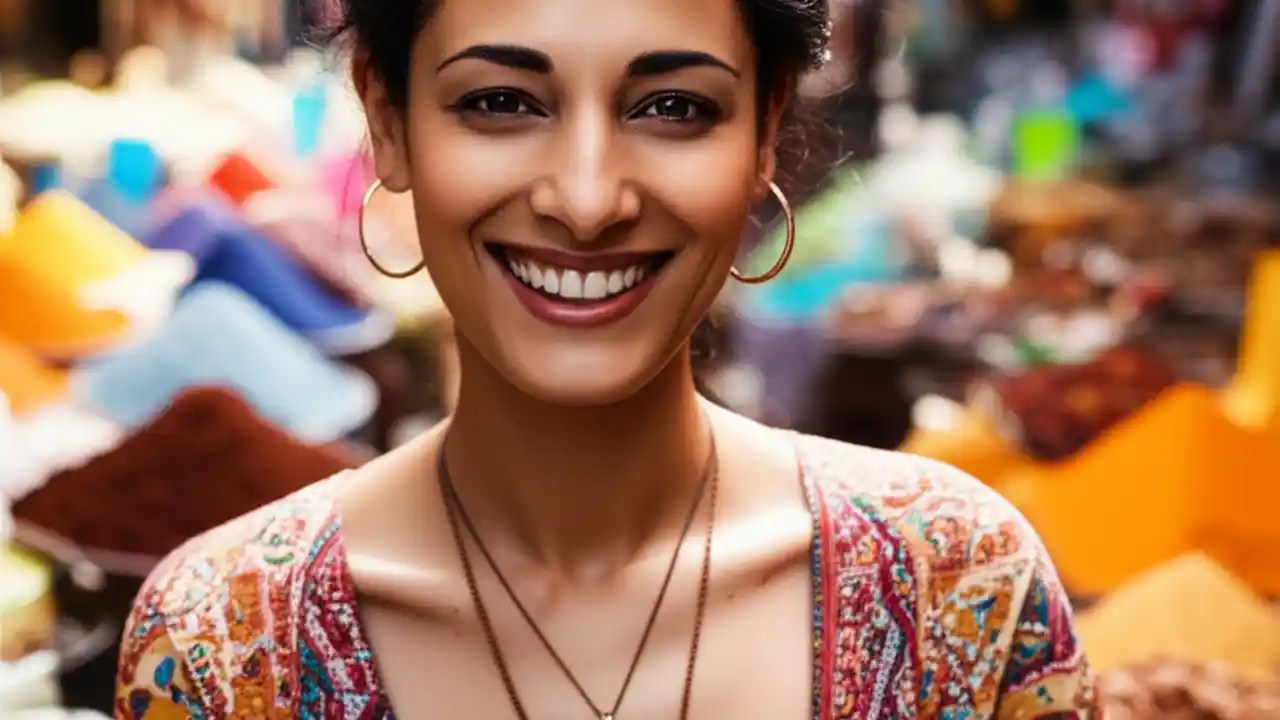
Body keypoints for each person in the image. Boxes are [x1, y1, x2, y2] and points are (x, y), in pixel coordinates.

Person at [115, 0, 1095, 717]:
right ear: (387, 117)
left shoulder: (954, 587)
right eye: (501, 100)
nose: (587, 202)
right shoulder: (223, 645)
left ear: (764, 127)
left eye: (671, 108)